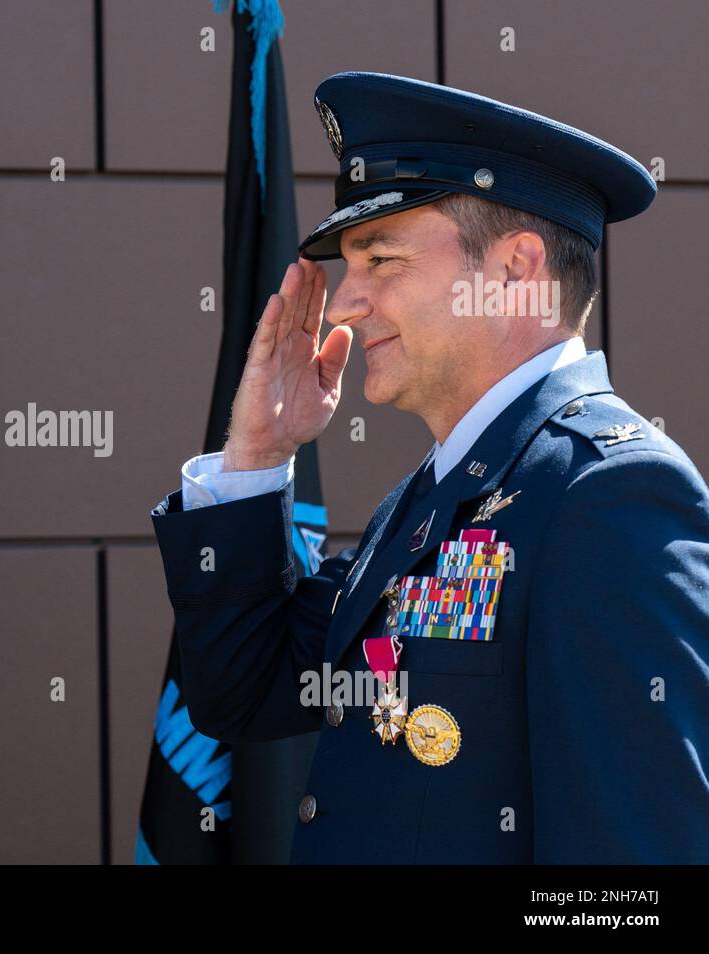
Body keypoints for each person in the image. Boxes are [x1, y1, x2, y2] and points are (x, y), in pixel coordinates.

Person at [151, 73, 709, 863]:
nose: (344, 304)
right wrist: (256, 458)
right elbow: (243, 692)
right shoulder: (436, 493)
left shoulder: (609, 494)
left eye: (381, 258)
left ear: (515, 271)